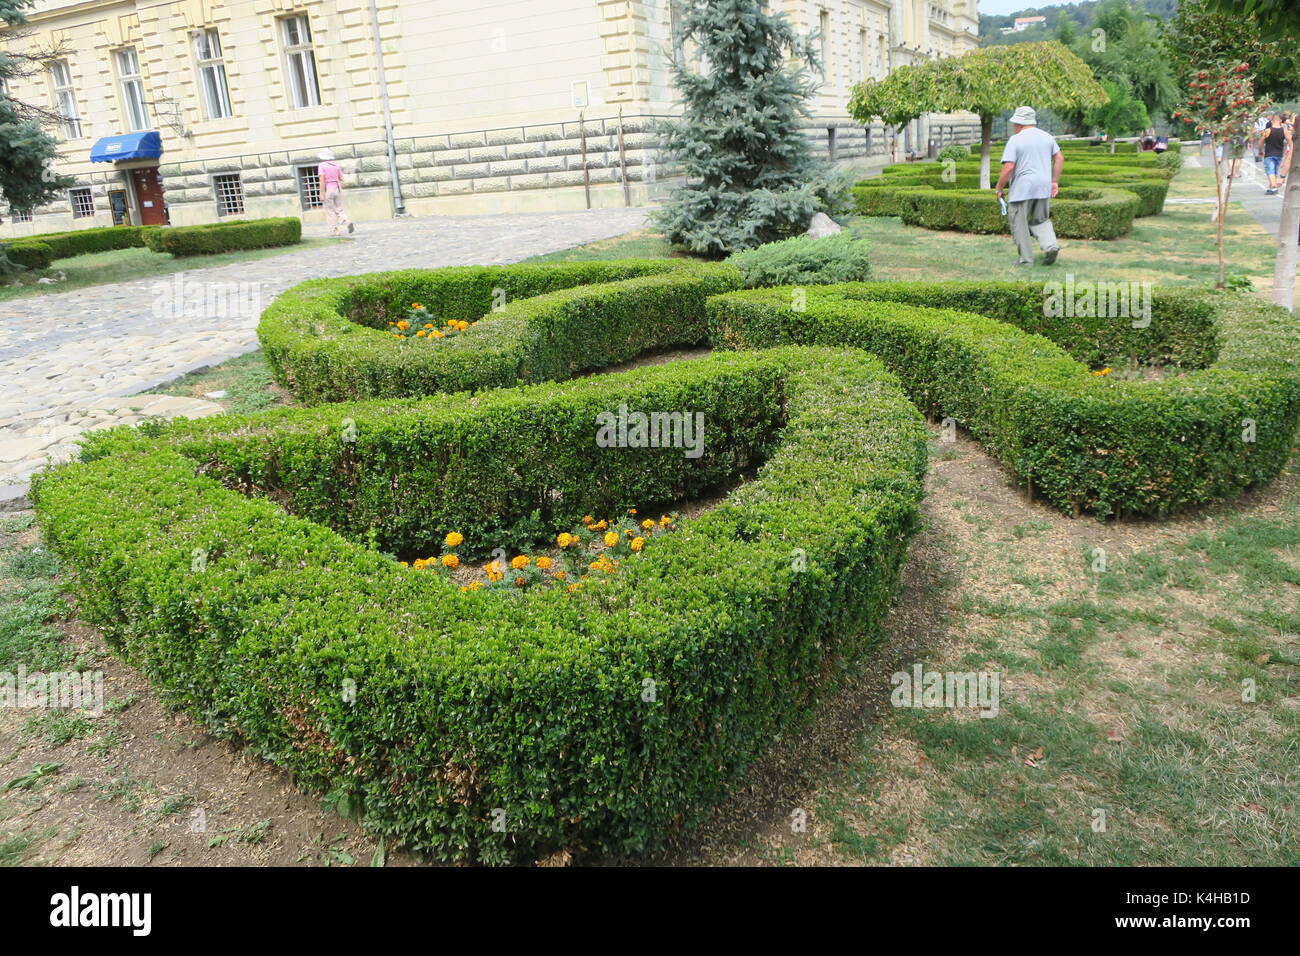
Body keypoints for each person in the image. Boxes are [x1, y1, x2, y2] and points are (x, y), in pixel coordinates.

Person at [995, 106, 1062, 267]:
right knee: (1041, 220)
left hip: (1022, 188)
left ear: (1018, 122)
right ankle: (1051, 246)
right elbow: (1059, 158)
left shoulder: (1015, 140)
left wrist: (999, 188)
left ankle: (1026, 260)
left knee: (1019, 224)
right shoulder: (1047, 137)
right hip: (1043, 186)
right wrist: (1054, 181)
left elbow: (1009, 167)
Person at [317, 148, 354, 237]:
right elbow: (342, 178)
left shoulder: (321, 165)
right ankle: (347, 221)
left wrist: (321, 193)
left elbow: (322, 180)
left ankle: (335, 230)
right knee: (339, 208)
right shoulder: (336, 165)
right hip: (337, 189)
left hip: (328, 189)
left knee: (330, 211)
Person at [1259, 114, 1290, 195]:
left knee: (1270, 170)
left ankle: (1273, 186)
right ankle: (1271, 187)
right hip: (1279, 153)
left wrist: (1259, 150)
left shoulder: (1268, 130)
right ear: (1280, 121)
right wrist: (1290, 150)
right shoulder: (1284, 130)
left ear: (1272, 121)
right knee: (1274, 170)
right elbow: (1290, 142)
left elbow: (1260, 142)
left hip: (1269, 153)